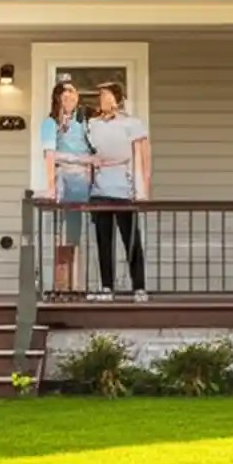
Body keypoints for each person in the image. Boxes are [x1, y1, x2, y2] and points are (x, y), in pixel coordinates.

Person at [87, 82, 151, 302]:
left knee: (131, 240)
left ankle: (139, 287)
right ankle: (106, 286)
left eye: (106, 96)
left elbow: (142, 157)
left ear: (117, 98)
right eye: (100, 96)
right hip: (100, 189)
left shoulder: (132, 124)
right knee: (104, 241)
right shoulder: (92, 124)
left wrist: (142, 189)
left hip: (125, 189)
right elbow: (89, 154)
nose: (102, 100)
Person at [40, 81, 93, 293]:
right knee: (63, 237)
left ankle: (80, 286)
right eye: (65, 92)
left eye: (73, 91)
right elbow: (49, 155)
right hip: (65, 181)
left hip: (87, 184)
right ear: (58, 98)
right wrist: (51, 187)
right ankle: (63, 287)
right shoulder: (50, 123)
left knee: (81, 236)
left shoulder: (85, 121)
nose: (70, 96)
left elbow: (94, 150)